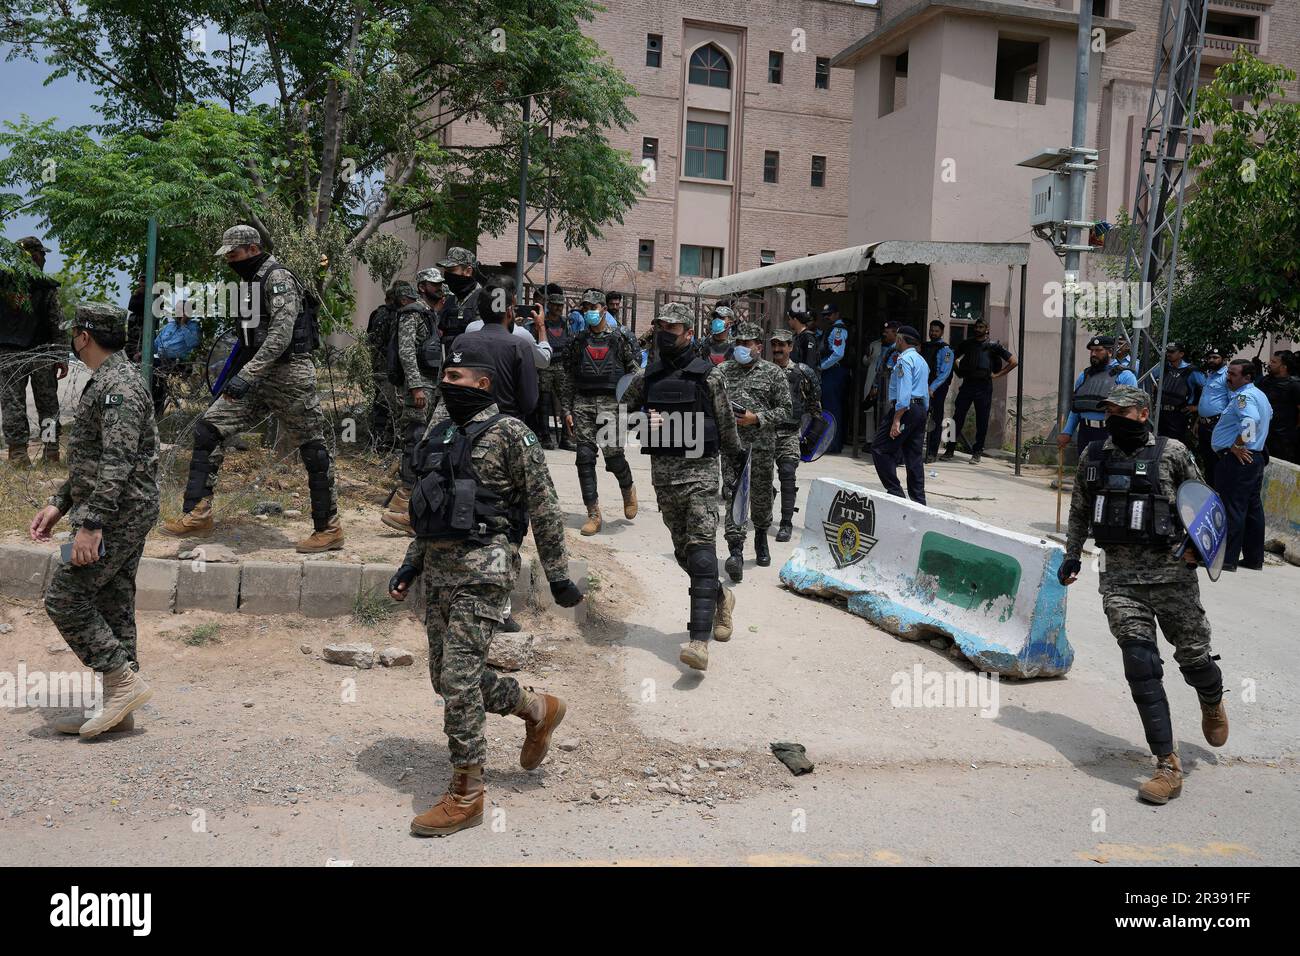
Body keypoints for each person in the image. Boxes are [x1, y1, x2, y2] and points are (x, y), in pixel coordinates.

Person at [388, 341, 583, 837]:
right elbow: (429, 510)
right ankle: (537, 708)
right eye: (444, 376)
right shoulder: (441, 432)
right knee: (448, 678)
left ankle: (467, 793)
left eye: (456, 377)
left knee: (457, 678)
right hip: (438, 569)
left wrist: (559, 575)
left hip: (487, 569)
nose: (445, 384)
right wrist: (409, 565)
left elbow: (544, 508)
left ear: (483, 383)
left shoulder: (513, 434)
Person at [1059, 385, 1227, 806]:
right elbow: (1081, 508)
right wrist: (1072, 555)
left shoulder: (1172, 453)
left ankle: (1211, 701)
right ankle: (1167, 764)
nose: (1113, 416)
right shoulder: (1094, 456)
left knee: (1194, 658)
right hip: (1119, 579)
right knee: (1141, 664)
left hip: (1173, 578)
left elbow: (1207, 504)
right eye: (1108, 410)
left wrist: (1198, 548)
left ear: (1143, 412)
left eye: (1121, 410)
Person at [162, 224, 343, 553]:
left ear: (251, 249)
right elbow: (246, 339)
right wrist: (235, 377)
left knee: (313, 450)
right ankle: (197, 513)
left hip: (289, 375)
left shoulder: (278, 278)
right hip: (255, 375)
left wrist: (247, 375)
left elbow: (281, 333)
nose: (229, 260)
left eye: (233, 253)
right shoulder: (248, 283)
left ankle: (328, 529)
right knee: (209, 429)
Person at [30, 302, 159, 737]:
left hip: (116, 514)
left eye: (73, 333)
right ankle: (120, 708)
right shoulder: (107, 381)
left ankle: (123, 682)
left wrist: (91, 524)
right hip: (116, 509)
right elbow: (93, 460)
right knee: (113, 603)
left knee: (64, 596)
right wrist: (59, 503)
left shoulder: (117, 386)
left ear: (83, 337)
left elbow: (117, 463)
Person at [620, 303, 741, 671]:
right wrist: (644, 419)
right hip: (666, 479)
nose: (664, 334)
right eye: (661, 327)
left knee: (703, 553)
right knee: (683, 554)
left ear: (689, 333)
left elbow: (726, 427)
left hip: (701, 475)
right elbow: (623, 414)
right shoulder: (648, 376)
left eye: (672, 328)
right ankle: (721, 598)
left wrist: (735, 470)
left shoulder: (709, 376)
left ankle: (698, 641)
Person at [557, 289, 640, 536]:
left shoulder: (619, 338)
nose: (590, 311)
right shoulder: (577, 341)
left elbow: (633, 372)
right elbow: (567, 376)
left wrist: (629, 407)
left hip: (611, 404)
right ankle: (593, 513)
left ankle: (627, 488)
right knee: (584, 457)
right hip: (583, 402)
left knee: (614, 458)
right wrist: (566, 409)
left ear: (604, 309)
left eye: (594, 307)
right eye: (586, 308)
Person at [719, 321, 794, 579]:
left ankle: (761, 536)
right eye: (737, 343)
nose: (740, 347)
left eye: (746, 344)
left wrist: (757, 418)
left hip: (761, 445)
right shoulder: (722, 371)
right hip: (732, 445)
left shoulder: (773, 373)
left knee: (761, 496)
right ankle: (735, 551)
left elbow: (786, 409)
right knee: (734, 494)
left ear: (758, 347)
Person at [380, 281, 441, 535]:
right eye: (435, 285)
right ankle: (404, 495)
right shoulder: (413, 313)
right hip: (419, 386)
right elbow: (406, 352)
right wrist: (415, 386)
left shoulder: (427, 312)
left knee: (424, 439)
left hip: (430, 384)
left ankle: (410, 494)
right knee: (414, 437)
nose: (440, 289)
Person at [1, 235, 67, 466]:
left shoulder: (4, 282)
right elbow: (57, 323)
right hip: (37, 353)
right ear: (34, 255)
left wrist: (60, 355)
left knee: (14, 404)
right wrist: (60, 355)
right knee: (45, 404)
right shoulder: (45, 286)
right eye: (43, 254)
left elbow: (56, 323)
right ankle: (46, 452)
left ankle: (22, 454)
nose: (45, 258)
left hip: (14, 353)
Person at [447, 275, 539, 421]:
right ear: (509, 312)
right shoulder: (520, 346)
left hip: (466, 425)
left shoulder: (460, 342)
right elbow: (529, 402)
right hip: (505, 426)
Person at [1212, 359, 1272, 572]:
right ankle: (1254, 559)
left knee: (1233, 507)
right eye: (1229, 373)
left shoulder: (1244, 397)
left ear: (1247, 377)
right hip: (1253, 457)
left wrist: (1237, 445)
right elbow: (1266, 418)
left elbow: (1251, 421)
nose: (1229, 377)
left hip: (1239, 458)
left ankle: (1227, 559)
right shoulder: (1260, 395)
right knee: (1253, 509)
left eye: (1234, 374)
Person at [768, 328, 820, 542]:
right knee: (759, 479)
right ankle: (766, 501)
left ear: (790, 347)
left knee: (788, 475)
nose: (778, 349)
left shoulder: (802, 373)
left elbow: (815, 409)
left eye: (783, 345)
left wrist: (811, 438)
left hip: (789, 434)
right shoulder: (764, 371)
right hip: (765, 433)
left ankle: (786, 523)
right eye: (775, 345)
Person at [941, 319, 1016, 464]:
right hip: (968, 384)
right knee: (956, 417)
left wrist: (997, 375)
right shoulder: (967, 344)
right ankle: (949, 449)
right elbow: (952, 357)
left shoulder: (993, 346)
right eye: (976, 327)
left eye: (981, 327)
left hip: (984, 386)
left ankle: (977, 452)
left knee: (982, 420)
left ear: (987, 329)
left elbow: (1013, 361)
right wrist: (959, 372)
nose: (977, 329)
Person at [870, 325, 929, 504]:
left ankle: (896, 494)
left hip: (906, 409)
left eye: (897, 337)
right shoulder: (921, 360)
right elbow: (925, 391)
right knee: (914, 456)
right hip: (919, 410)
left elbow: (904, 391)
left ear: (901, 340)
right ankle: (919, 501)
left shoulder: (904, 360)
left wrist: (897, 419)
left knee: (880, 449)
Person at [1057, 336, 1138, 455]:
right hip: (1086, 432)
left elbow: (1131, 410)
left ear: (1110, 352)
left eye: (1098, 350)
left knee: (1109, 471)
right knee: (1086, 471)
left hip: (1111, 433)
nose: (1093, 354)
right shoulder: (1084, 376)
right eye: (1091, 350)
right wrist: (1067, 432)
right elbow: (1076, 408)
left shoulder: (1125, 376)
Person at [149, 291, 203, 418]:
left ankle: (156, 411)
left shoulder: (193, 327)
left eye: (181, 310)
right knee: (143, 366)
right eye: (176, 309)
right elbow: (156, 344)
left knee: (157, 376)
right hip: (161, 359)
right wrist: (144, 353)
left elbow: (193, 343)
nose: (177, 312)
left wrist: (184, 324)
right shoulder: (169, 326)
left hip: (178, 362)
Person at [365, 282, 402, 454]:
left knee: (382, 403)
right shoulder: (391, 315)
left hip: (380, 365)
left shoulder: (378, 313)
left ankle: (380, 440)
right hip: (386, 366)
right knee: (385, 405)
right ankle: (380, 442)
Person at [536, 289, 573, 449]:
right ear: (549, 305)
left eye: (561, 305)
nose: (559, 308)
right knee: (543, 403)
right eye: (556, 305)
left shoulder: (566, 323)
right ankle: (545, 438)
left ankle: (566, 439)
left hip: (562, 368)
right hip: (545, 367)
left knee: (567, 403)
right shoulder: (540, 323)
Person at [1149, 342, 1204, 445]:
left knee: (1175, 445)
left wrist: (1196, 407)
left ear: (1181, 354)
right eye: (1167, 351)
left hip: (1179, 415)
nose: (1169, 354)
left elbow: (1206, 390)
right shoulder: (1163, 367)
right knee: (1158, 444)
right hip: (1160, 414)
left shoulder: (1191, 371)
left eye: (1172, 351)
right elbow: (1149, 378)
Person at [1194, 346, 1230, 486]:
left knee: (1217, 461)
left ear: (1223, 359)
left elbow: (1231, 402)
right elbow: (1206, 399)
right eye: (1209, 357)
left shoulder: (1227, 376)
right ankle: (1209, 489)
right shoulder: (1210, 375)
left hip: (1217, 424)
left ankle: (1218, 491)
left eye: (1215, 357)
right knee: (1207, 460)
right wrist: (1198, 420)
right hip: (1204, 424)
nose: (1211, 360)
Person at [435, 247, 482, 352]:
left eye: (451, 270)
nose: (447, 275)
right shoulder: (449, 301)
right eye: (446, 271)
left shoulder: (483, 299)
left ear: (468, 271)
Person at [1256, 351, 1300, 464]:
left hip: (1284, 440)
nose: (1269, 364)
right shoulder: (1265, 381)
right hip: (1264, 436)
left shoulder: (1294, 385)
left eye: (1274, 362)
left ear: (1284, 367)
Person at [921, 320, 954, 464]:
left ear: (941, 332)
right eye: (931, 330)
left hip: (938, 388)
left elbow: (945, 373)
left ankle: (932, 452)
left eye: (936, 331)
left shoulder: (946, 350)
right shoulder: (926, 346)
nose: (933, 333)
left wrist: (932, 388)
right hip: (924, 386)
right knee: (920, 417)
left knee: (934, 418)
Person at [817, 304, 849, 453]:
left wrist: (821, 367)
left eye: (829, 314)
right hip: (831, 371)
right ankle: (832, 442)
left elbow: (837, 353)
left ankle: (833, 444)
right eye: (825, 315)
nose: (826, 317)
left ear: (836, 314)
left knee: (832, 408)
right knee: (829, 408)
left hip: (834, 371)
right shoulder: (831, 329)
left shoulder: (838, 330)